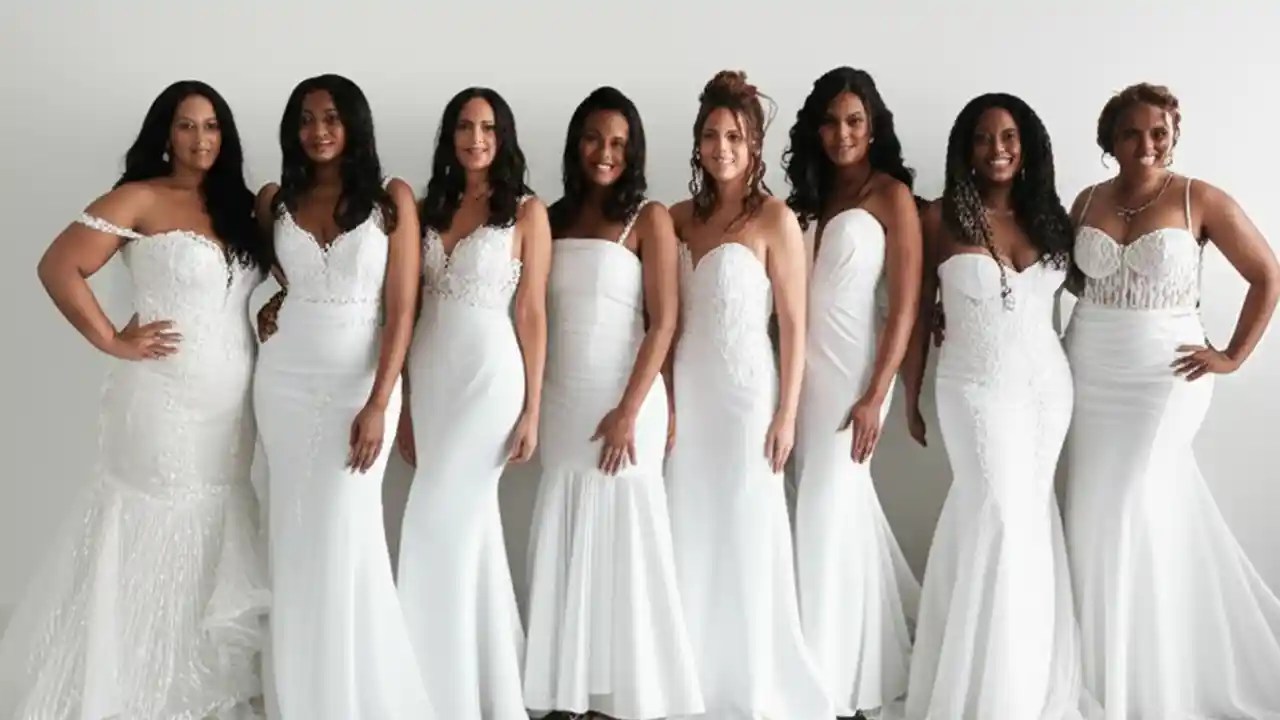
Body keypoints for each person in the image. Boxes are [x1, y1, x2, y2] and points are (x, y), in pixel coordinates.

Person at [1, 80, 269, 719]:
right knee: (152, 523)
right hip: (162, 402)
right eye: (186, 126)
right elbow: (58, 265)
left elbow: (265, 283)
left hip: (232, 408)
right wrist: (111, 340)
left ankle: (196, 686)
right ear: (165, 133)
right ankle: (129, 689)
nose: (200, 139)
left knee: (213, 526)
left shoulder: (237, 206)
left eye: (211, 126)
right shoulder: (139, 198)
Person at [1065, 82, 1280, 719]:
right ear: (1111, 139)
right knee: (1091, 514)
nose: (1147, 144)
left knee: (1132, 504)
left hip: (1167, 377)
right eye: (1132, 133)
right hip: (1089, 368)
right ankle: (1098, 670)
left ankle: (1147, 684)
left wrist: (1234, 355)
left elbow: (1268, 274)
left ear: (1173, 134)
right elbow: (1056, 275)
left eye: (1159, 132)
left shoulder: (1198, 198)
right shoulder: (1086, 200)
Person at [252, 74, 433, 720]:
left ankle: (357, 700)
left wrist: (382, 401)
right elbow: (262, 277)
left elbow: (403, 308)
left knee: (348, 533)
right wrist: (267, 305)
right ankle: (297, 701)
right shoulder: (274, 201)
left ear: (353, 123)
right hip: (283, 387)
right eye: (305, 118)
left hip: (359, 388)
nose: (318, 129)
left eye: (331, 117)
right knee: (292, 539)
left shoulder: (392, 201)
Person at [901, 93, 1085, 720]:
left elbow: (1096, 294)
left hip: (1047, 390)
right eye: (984, 138)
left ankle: (1024, 684)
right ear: (966, 148)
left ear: (1028, 145)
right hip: (974, 387)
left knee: (1027, 522)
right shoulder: (938, 217)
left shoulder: (1052, 218)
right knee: (998, 514)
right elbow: (914, 308)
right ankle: (982, 695)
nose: (998, 148)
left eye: (1009, 136)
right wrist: (909, 394)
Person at [665, 69, 834, 720]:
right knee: (689, 526)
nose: (721, 146)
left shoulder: (775, 219)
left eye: (733, 135)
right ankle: (689, 678)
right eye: (710, 135)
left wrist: (786, 414)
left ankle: (755, 681)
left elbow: (794, 325)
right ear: (698, 144)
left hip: (745, 397)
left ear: (754, 144)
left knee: (744, 525)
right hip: (689, 393)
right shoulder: (676, 220)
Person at [396, 86, 551, 720]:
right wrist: (402, 402)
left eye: (488, 127)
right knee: (473, 533)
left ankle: (432, 694)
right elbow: (406, 309)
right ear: (450, 136)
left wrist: (533, 408)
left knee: (434, 525)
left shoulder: (527, 212)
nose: (476, 138)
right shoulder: (430, 208)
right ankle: (491, 691)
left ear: (504, 135)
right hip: (431, 375)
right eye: (464, 126)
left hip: (491, 378)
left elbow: (534, 312)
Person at [783, 65, 922, 718]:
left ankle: (825, 684)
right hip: (797, 379)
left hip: (854, 376)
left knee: (824, 509)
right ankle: (867, 665)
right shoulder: (800, 201)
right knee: (833, 518)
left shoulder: (890, 196)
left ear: (874, 127)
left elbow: (904, 305)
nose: (843, 133)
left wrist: (876, 394)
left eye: (855, 121)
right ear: (817, 129)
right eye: (833, 121)